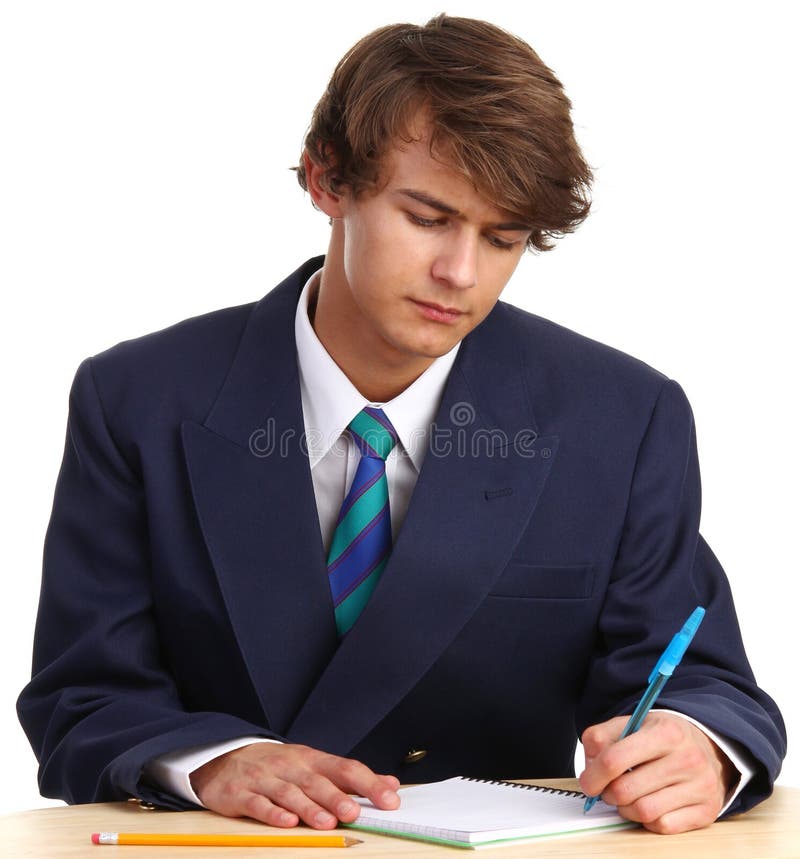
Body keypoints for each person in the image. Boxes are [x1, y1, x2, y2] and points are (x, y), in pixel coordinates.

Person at [17, 14, 785, 837]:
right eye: (427, 218)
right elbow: (82, 697)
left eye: (503, 238)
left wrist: (697, 747)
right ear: (326, 181)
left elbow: (702, 683)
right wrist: (211, 759)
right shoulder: (136, 398)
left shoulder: (621, 417)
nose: (460, 273)